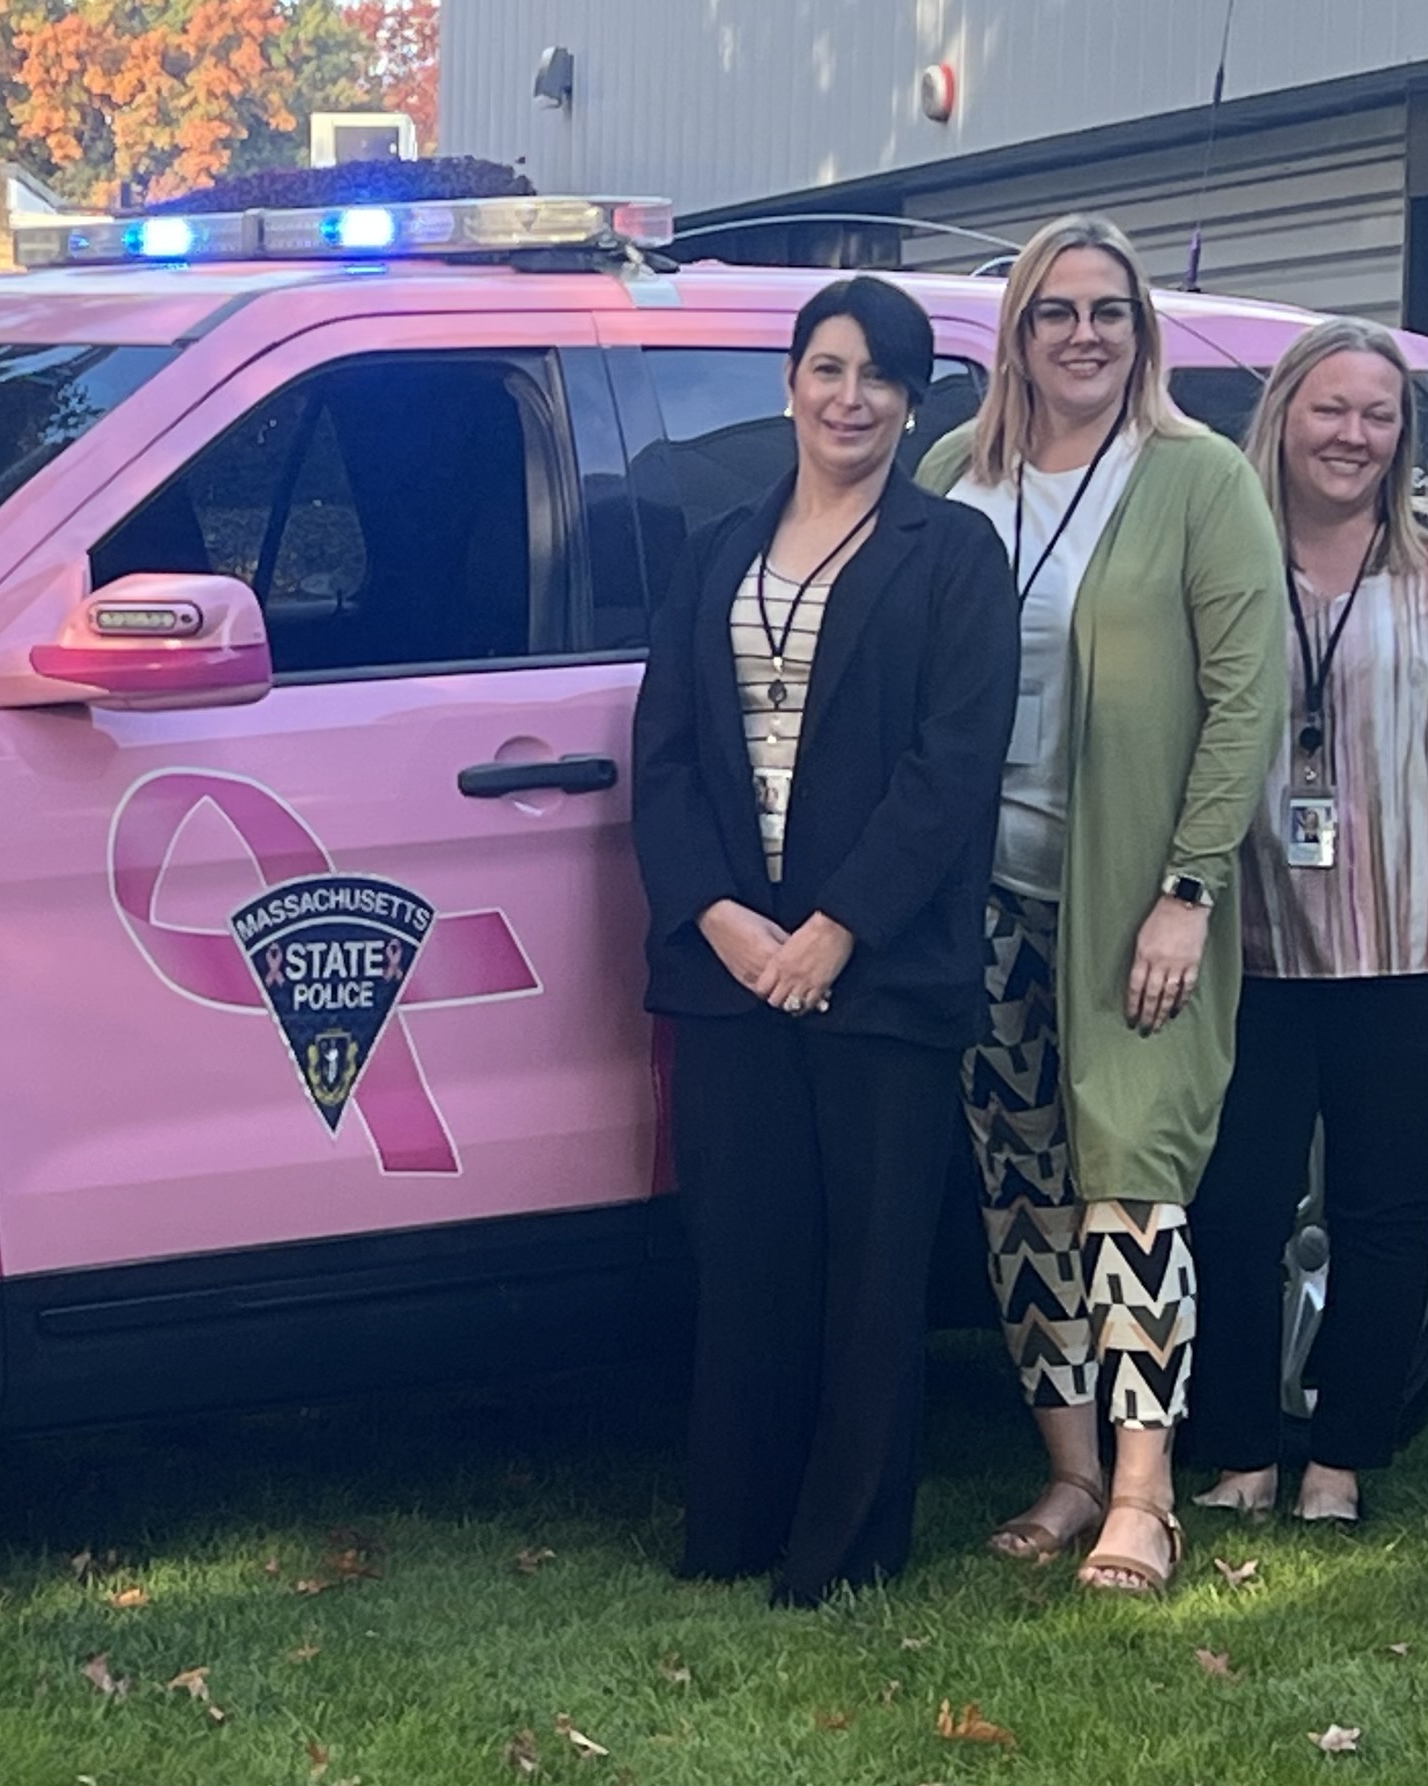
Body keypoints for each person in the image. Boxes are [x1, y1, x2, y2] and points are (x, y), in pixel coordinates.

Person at [914, 214, 1285, 1596]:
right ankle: (1066, 1471)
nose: (1081, 334)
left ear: (1139, 333)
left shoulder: (1193, 479)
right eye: (1053, 311)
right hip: (980, 897)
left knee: (1127, 1187)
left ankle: (1144, 1489)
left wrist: (1186, 888)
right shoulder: (954, 474)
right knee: (1020, 1194)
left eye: (1108, 313)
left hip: (1133, 894)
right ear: (1011, 334)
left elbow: (1246, 700)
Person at [635, 276, 1019, 1607]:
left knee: (869, 1270)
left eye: (877, 375)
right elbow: (666, 756)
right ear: (788, 381)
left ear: (912, 402)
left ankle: (843, 1542)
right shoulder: (714, 550)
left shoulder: (951, 554)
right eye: (825, 367)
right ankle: (733, 1525)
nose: (847, 396)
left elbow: (950, 765)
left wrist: (835, 928)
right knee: (744, 1255)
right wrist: (728, 922)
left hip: (882, 969)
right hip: (728, 968)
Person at [1184, 320, 1428, 1525]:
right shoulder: (1222, 558)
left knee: (1385, 1208)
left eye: (1379, 415)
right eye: (1331, 409)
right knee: (1241, 1203)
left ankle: (1341, 1460)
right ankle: (1243, 1453)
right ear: (1281, 418)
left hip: (1414, 939)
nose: (1354, 435)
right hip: (1250, 939)